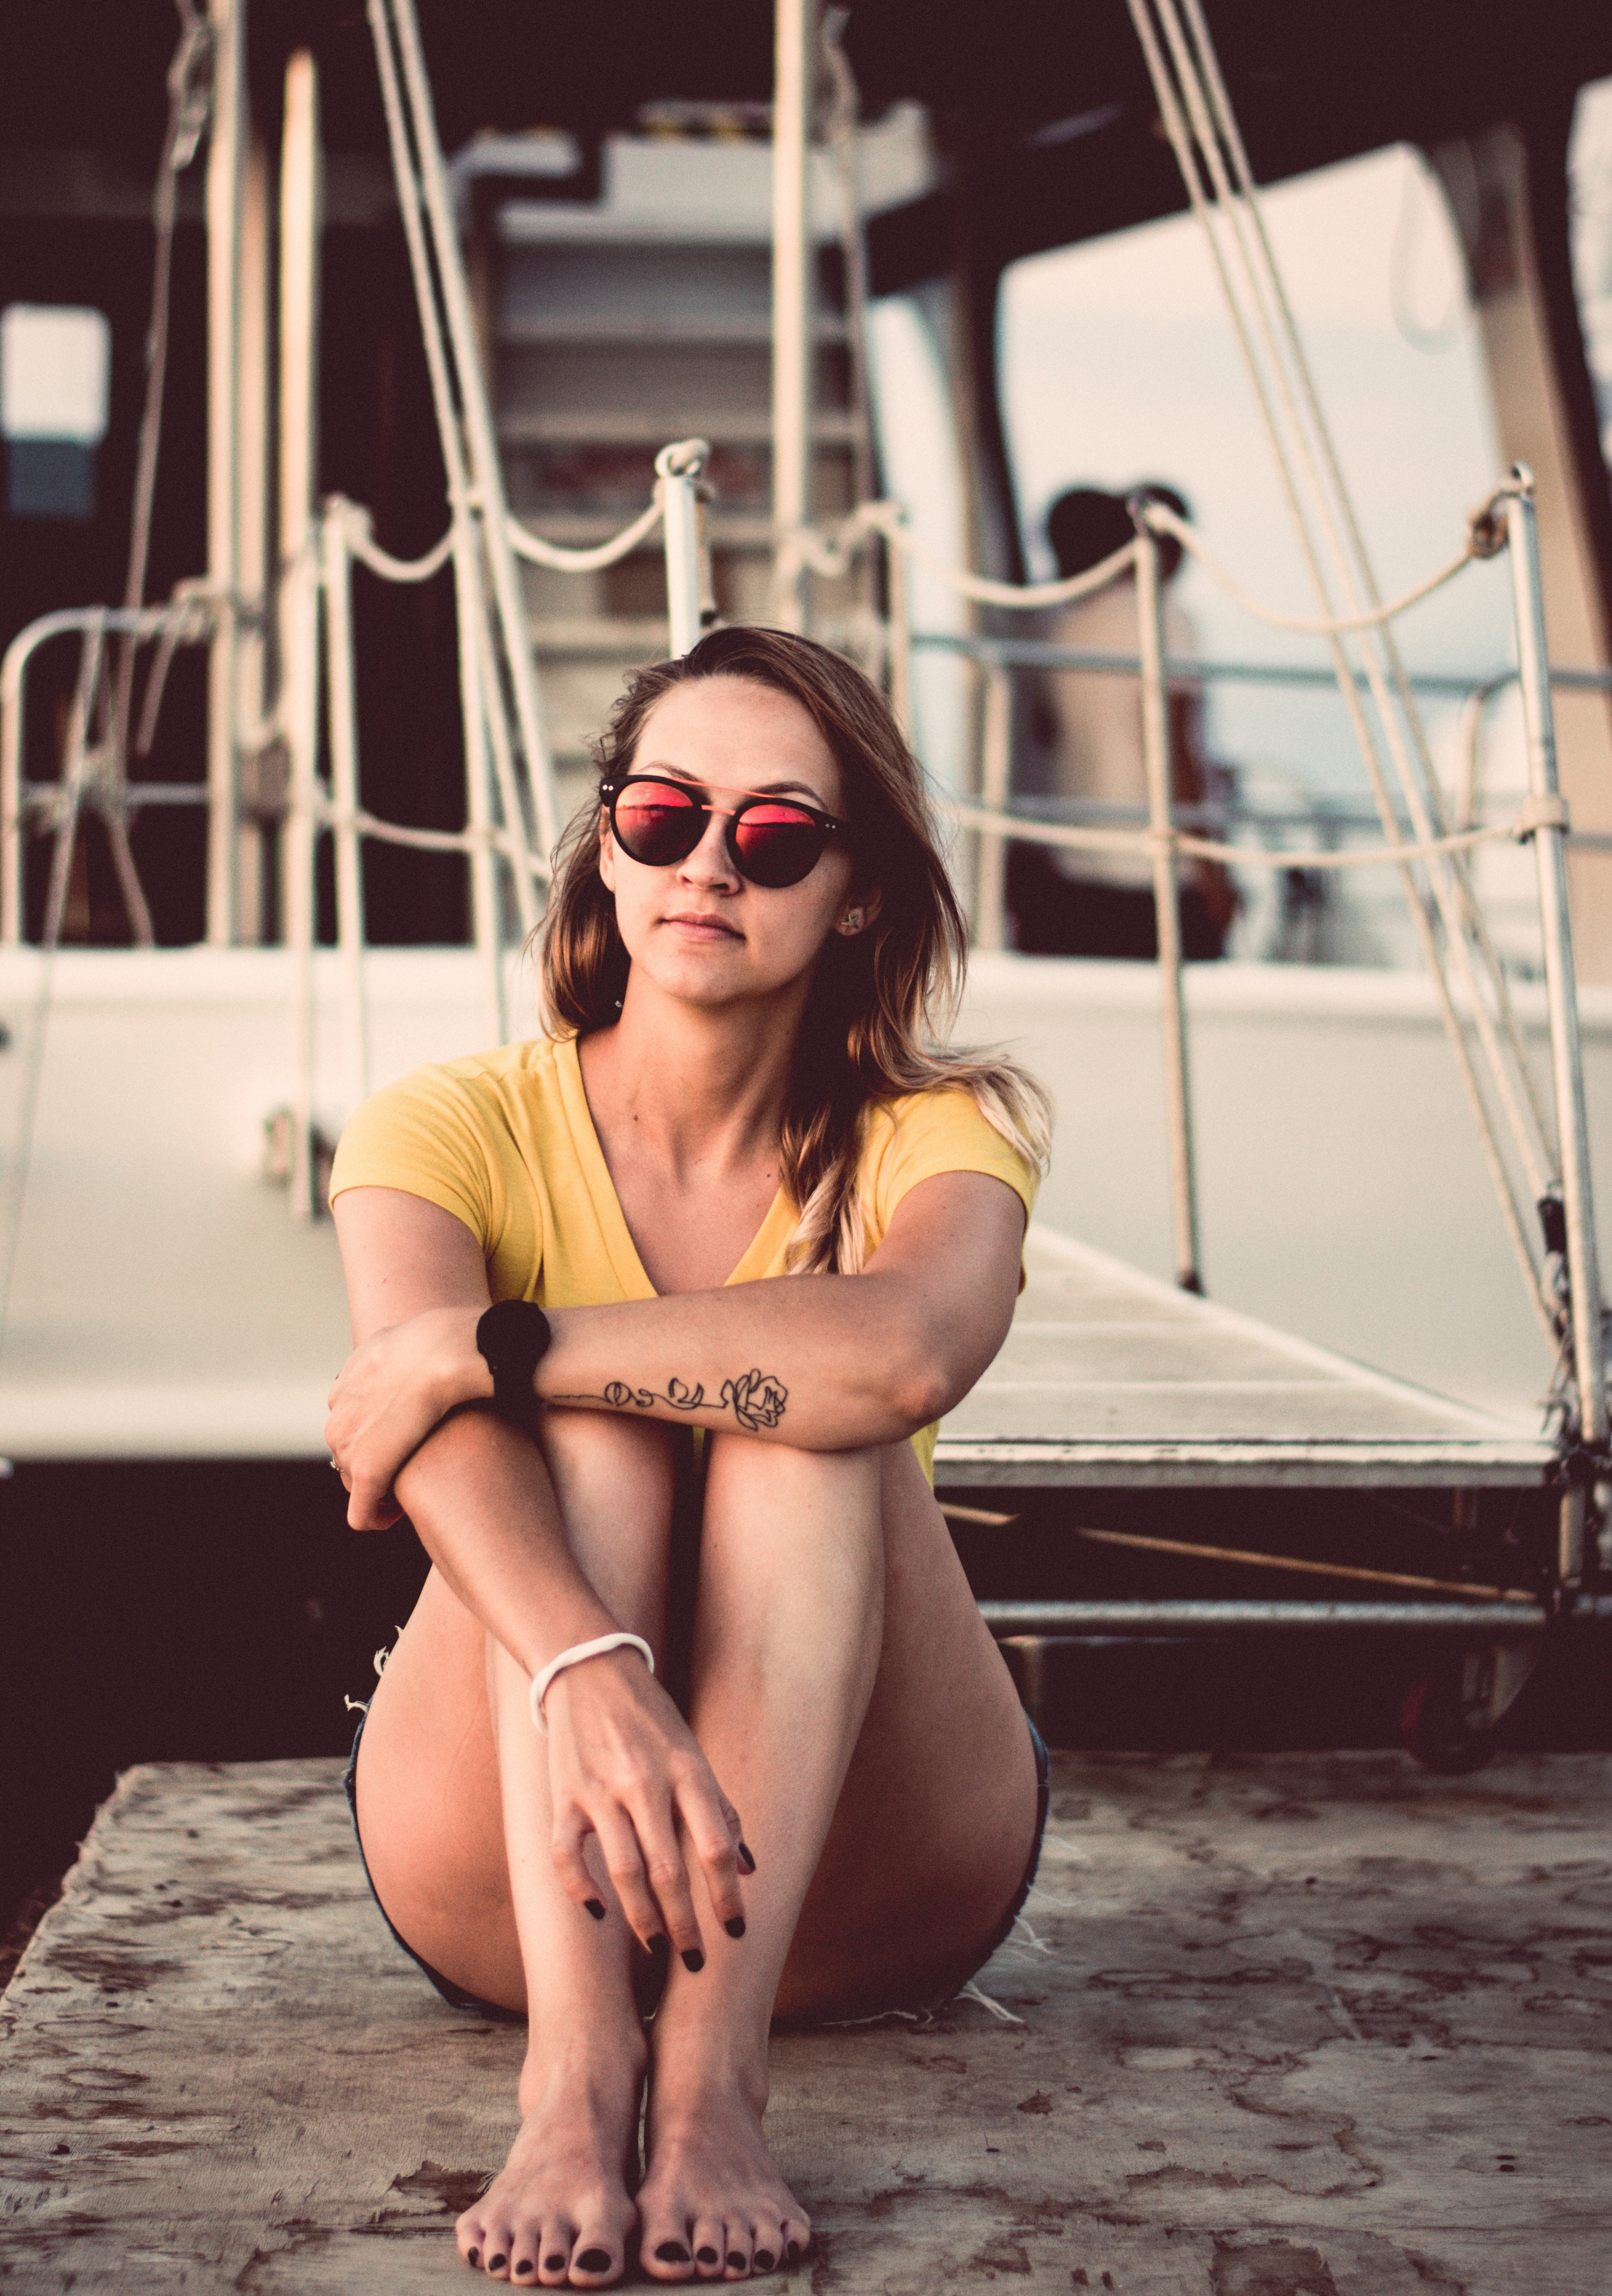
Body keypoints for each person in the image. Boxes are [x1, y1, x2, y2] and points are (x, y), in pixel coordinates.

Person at [323, 625, 1053, 2288]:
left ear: (855, 892)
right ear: (605, 845)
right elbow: (414, 1443)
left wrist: (498, 1341)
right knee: (597, 1432)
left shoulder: (933, 1137)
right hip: (507, 1864)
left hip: (867, 1876)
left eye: (775, 834)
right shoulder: (447, 1122)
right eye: (662, 814)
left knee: (806, 1419)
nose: (709, 862)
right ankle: (576, 2082)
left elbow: (907, 1350)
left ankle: (714, 2084)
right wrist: (589, 1668)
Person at [1008, 485, 1237, 959]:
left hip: (1072, 868)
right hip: (1149, 876)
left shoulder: (1058, 625)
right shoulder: (1161, 618)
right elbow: (1172, 748)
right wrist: (1213, 873)